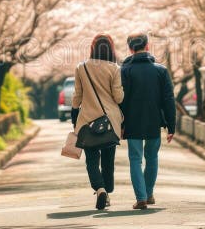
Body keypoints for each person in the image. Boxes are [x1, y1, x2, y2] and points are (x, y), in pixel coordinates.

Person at [120, 32, 176, 210]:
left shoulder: (125, 70)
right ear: (147, 46)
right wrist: (171, 126)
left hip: (132, 122)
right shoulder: (160, 70)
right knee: (152, 157)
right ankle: (148, 193)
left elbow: (121, 100)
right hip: (154, 122)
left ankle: (141, 197)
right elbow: (168, 99)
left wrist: (121, 124)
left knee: (135, 159)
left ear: (130, 48)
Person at [71, 34, 124, 210]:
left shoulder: (81, 68)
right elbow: (118, 97)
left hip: (88, 119)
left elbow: (77, 96)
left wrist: (74, 116)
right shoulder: (114, 68)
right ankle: (107, 191)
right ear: (111, 48)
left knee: (92, 160)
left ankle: (100, 189)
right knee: (108, 161)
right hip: (110, 121)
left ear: (92, 48)